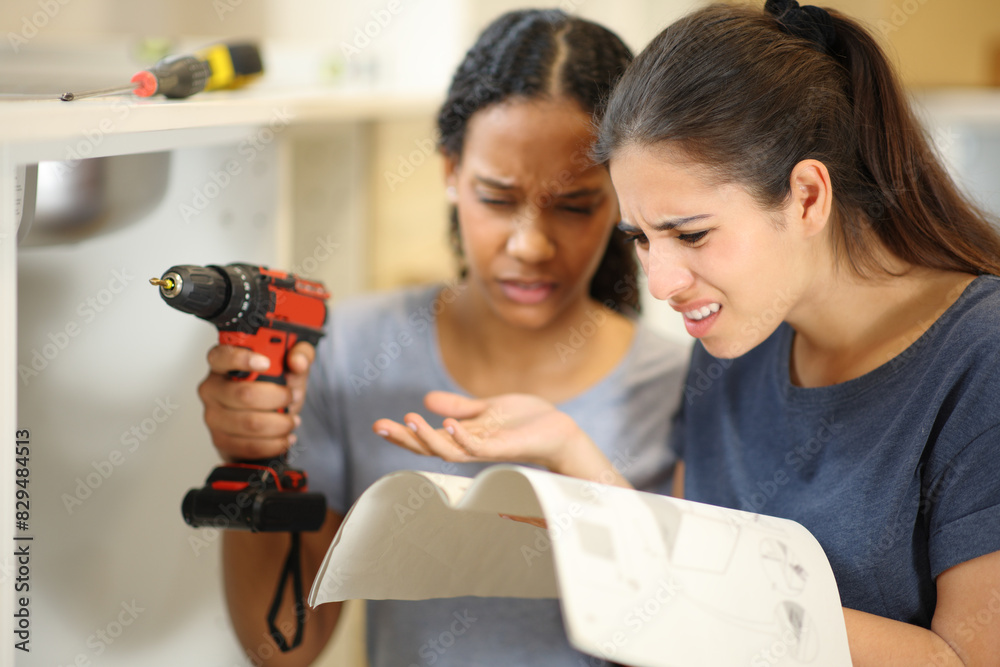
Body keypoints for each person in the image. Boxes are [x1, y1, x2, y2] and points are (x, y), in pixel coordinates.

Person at [379, 2, 1000, 665]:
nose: (661, 282)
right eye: (642, 238)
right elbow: (678, 595)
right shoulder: (732, 341)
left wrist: (727, 602)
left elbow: (966, 658)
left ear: (808, 197)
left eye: (692, 234)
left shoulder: (980, 359)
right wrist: (571, 453)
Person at [198, 9, 687, 667]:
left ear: (621, 195)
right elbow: (283, 644)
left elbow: (690, 639)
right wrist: (250, 460)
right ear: (451, 170)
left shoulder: (681, 388)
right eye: (497, 198)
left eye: (575, 205)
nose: (530, 245)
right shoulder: (346, 353)